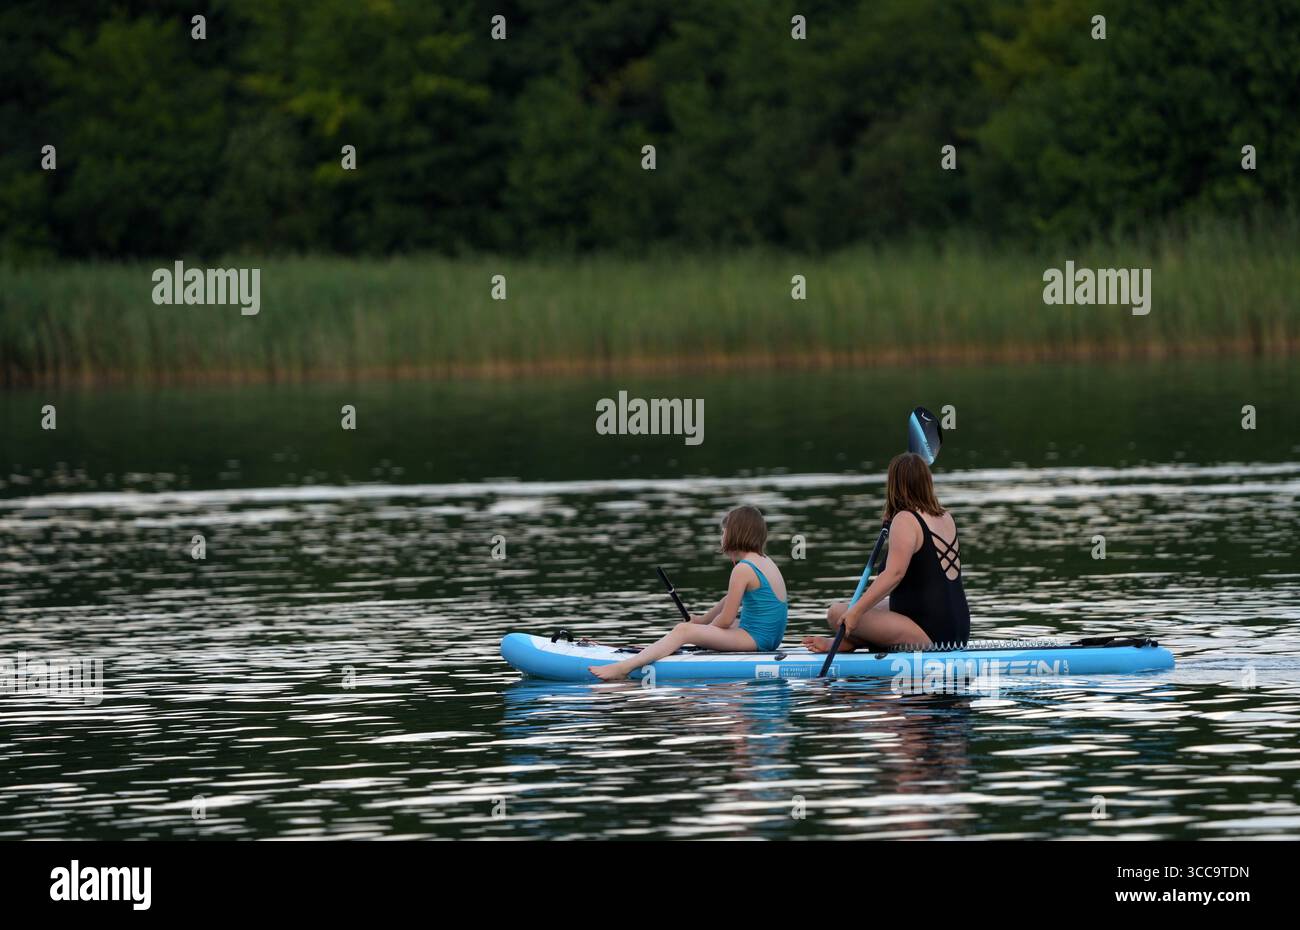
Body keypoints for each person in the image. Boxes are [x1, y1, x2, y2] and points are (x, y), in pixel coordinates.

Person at [590, 505, 788, 680]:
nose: (721, 537)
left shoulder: (742, 568)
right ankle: (669, 643)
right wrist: (702, 621)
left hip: (756, 639)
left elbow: (726, 620)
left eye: (723, 532)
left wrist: (702, 633)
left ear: (735, 533)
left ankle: (624, 668)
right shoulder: (765, 561)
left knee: (683, 630)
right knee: (699, 627)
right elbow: (730, 600)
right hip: (770, 637)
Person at [805, 452, 969, 653]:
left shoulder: (905, 520)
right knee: (872, 605)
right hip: (958, 629)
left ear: (894, 485)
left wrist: (856, 612)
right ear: (926, 482)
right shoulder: (945, 516)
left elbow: (894, 575)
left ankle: (847, 642)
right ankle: (849, 643)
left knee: (836, 613)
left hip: (930, 635)